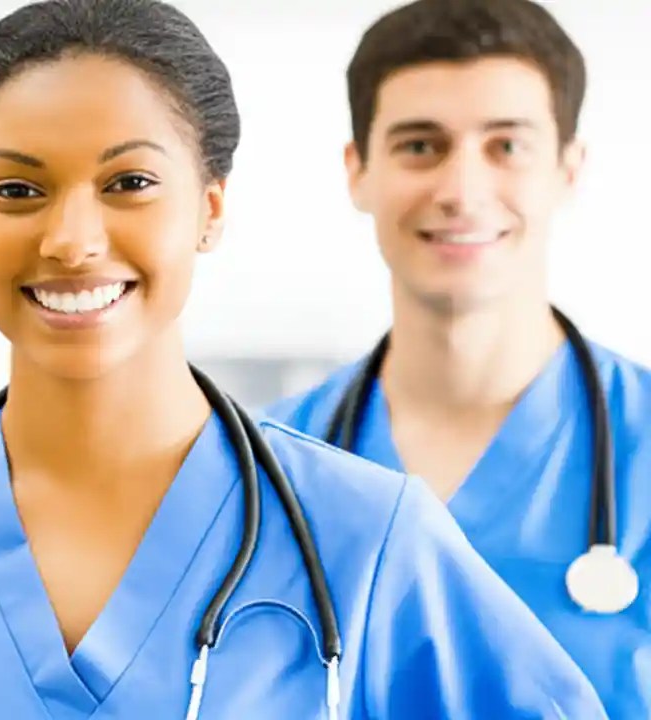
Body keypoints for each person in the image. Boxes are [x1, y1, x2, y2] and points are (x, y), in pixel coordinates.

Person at [0, 1, 608, 717]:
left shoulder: (367, 538)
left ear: (210, 209)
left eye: (130, 184)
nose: (71, 239)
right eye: (17, 190)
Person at [264, 0, 651, 716]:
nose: (461, 191)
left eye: (506, 147)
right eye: (420, 146)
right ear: (358, 171)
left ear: (569, 170)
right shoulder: (262, 472)